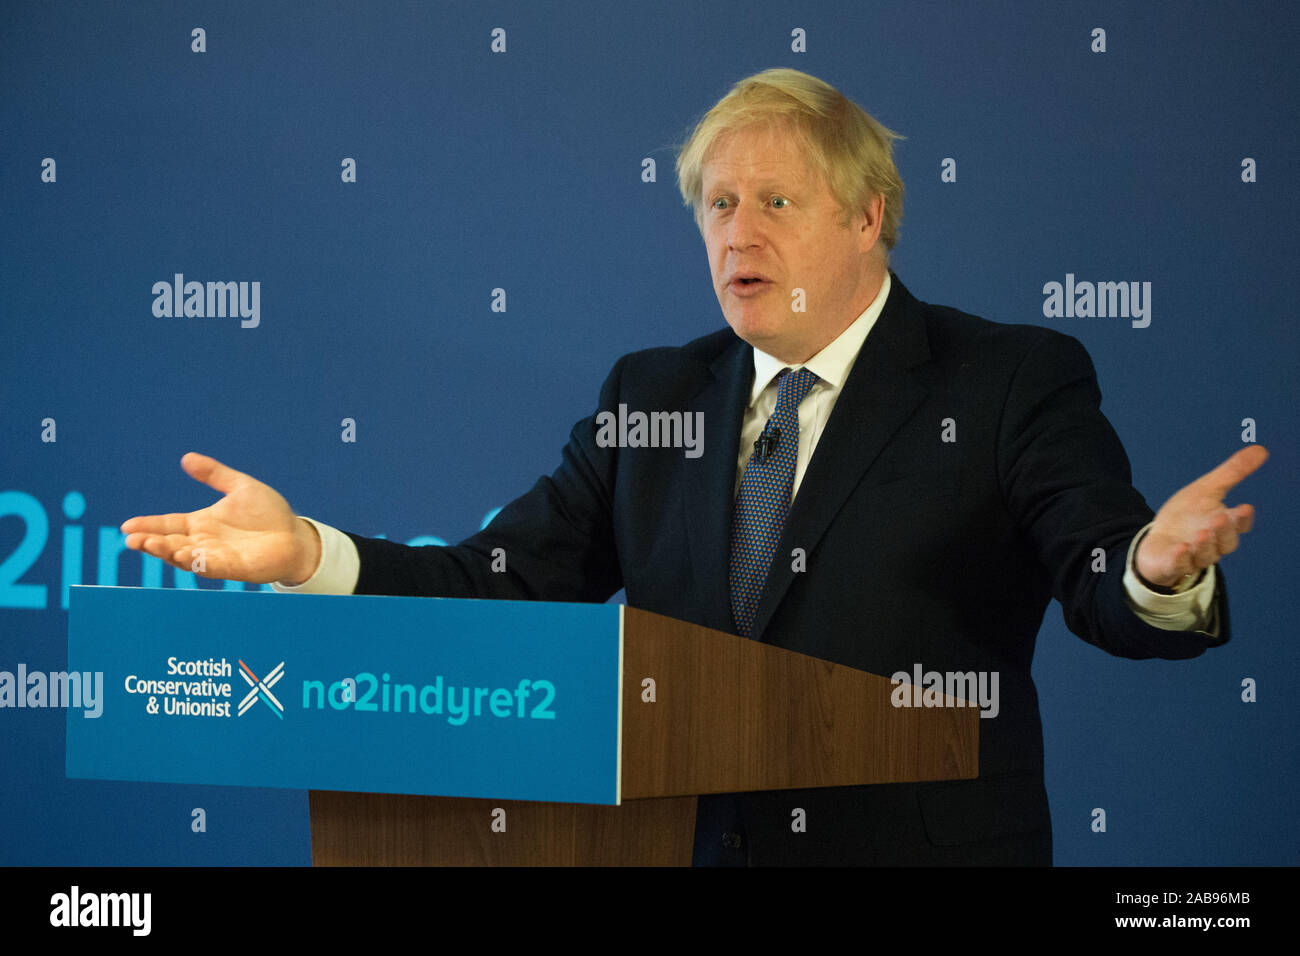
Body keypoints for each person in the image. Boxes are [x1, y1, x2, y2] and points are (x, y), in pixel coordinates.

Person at [122, 68, 1264, 865]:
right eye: (718, 204)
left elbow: (1100, 574)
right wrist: (309, 552)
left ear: (870, 216)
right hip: (676, 851)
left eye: (775, 201)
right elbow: (504, 580)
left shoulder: (1006, 377)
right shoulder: (652, 394)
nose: (737, 232)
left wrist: (1154, 567)